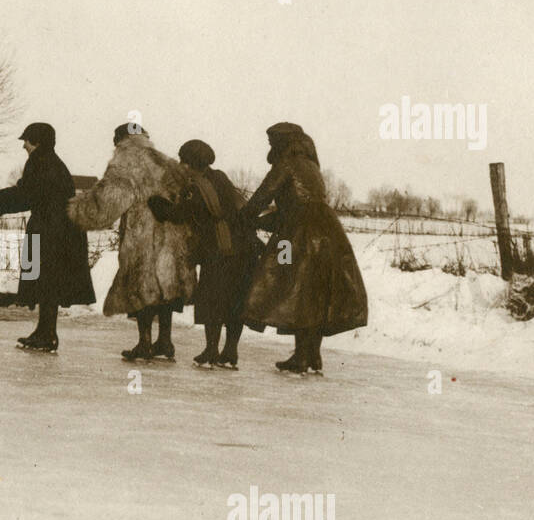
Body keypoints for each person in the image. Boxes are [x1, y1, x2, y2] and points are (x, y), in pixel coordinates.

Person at [239, 122, 368, 374]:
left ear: (281, 142)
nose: (270, 147)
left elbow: (263, 198)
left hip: (295, 237)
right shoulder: (311, 166)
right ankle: (311, 355)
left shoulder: (286, 164)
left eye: (271, 142)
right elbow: (297, 205)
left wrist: (243, 216)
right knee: (313, 292)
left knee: (291, 285)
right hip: (329, 234)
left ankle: (300, 356)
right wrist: (262, 219)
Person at [67, 123, 195, 361]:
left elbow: (109, 201)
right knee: (166, 288)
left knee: (141, 286)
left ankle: (144, 343)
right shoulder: (166, 161)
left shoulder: (125, 160)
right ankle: (165, 341)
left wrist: (77, 211)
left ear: (120, 139)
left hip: (143, 236)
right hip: (173, 236)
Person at [148, 139, 262, 368]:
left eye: (183, 160)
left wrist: (157, 204)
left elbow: (179, 214)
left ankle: (211, 350)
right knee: (235, 301)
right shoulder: (220, 177)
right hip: (245, 248)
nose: (182, 165)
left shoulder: (194, 187)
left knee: (213, 300)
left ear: (190, 162)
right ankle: (230, 351)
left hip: (221, 250)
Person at [0, 122, 95, 352]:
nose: (24, 145)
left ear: (37, 141)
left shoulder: (41, 162)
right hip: (57, 230)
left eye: (26, 140)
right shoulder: (50, 161)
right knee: (48, 284)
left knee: (47, 282)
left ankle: (47, 334)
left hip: (52, 231)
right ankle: (45, 331)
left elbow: (26, 195)